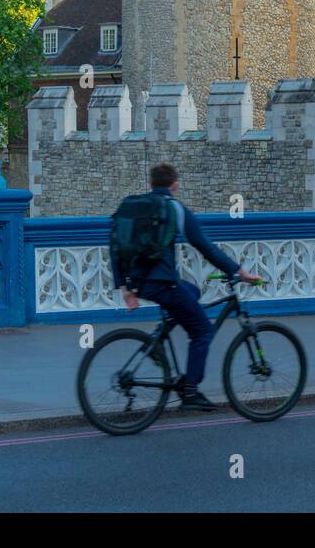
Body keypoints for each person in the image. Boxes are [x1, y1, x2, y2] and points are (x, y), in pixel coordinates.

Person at [112, 163, 262, 411]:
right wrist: (239, 271)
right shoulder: (175, 209)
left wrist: (125, 287)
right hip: (162, 283)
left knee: (193, 292)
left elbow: (115, 244)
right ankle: (191, 392)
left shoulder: (134, 207)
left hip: (140, 283)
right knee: (203, 332)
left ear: (150, 184)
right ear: (175, 185)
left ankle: (157, 340)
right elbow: (204, 246)